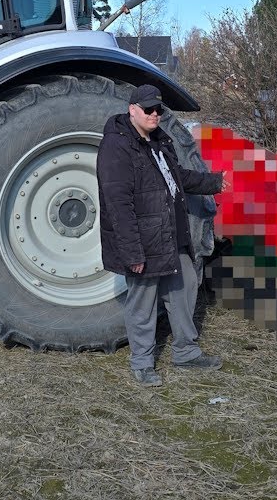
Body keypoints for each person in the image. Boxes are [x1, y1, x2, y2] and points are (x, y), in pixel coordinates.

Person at [96, 84, 230, 387]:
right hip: (144, 241)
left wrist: (215, 182)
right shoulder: (116, 148)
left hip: (171, 234)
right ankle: (142, 363)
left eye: (158, 109)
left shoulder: (157, 141)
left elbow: (177, 177)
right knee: (142, 304)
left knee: (184, 293)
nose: (155, 114)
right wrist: (132, 253)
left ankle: (186, 351)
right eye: (148, 109)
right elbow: (118, 205)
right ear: (132, 110)